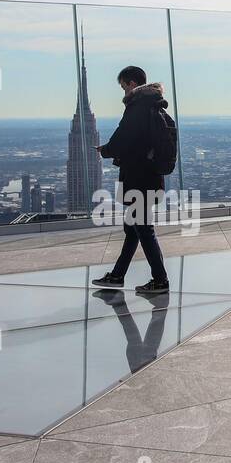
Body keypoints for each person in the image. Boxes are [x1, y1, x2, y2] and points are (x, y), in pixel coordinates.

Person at [91, 66, 171, 296]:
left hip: (139, 178)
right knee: (133, 229)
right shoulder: (152, 106)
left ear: (132, 84)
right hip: (148, 177)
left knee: (143, 229)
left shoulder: (138, 106)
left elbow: (123, 137)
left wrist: (105, 150)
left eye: (123, 85)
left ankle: (160, 280)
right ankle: (117, 275)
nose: (123, 91)